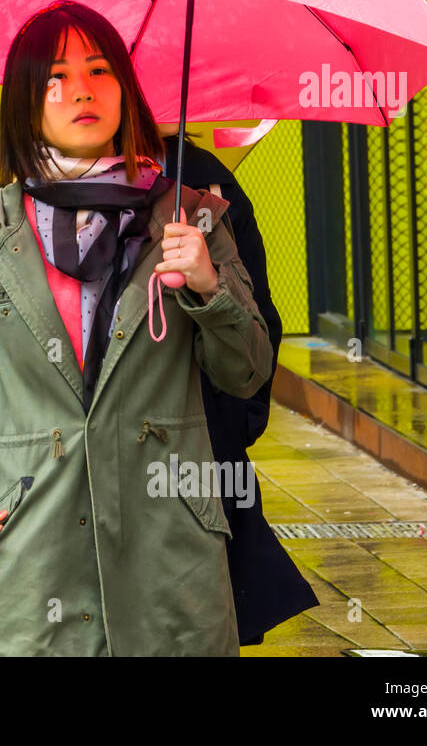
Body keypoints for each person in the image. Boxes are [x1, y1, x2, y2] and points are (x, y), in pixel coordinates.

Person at [0, 0, 273, 656]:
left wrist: (210, 288)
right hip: (30, 555)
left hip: (168, 560)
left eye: (99, 71)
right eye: (55, 79)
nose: (81, 91)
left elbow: (245, 372)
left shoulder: (191, 218)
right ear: (25, 101)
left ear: (126, 90)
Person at [159, 131, 319, 644]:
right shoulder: (26, 193)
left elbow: (258, 322)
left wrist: (206, 282)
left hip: (199, 437)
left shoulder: (206, 188)